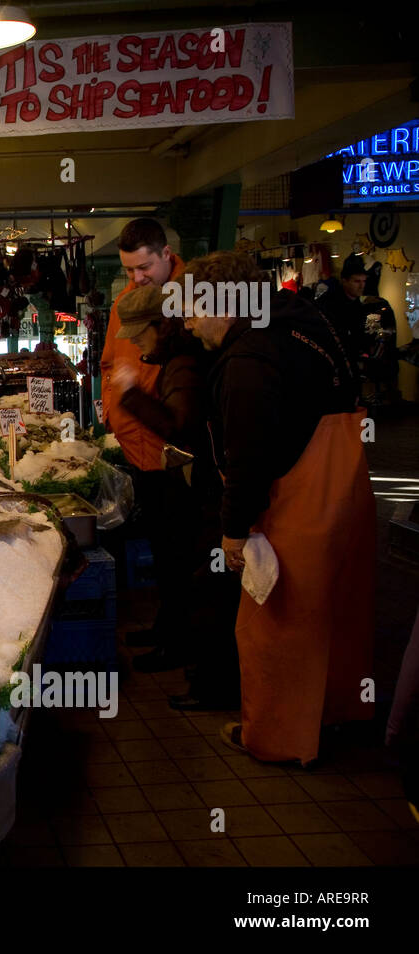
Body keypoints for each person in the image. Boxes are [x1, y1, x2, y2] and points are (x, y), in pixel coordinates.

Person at [183, 250, 374, 767]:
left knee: (277, 625)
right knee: (336, 613)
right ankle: (336, 715)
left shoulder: (250, 359)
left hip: (297, 506)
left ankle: (277, 738)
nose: (188, 322)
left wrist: (233, 528)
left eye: (193, 308)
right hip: (344, 496)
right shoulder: (304, 321)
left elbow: (249, 455)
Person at [109, 285, 239, 700]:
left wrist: (131, 395)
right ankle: (175, 641)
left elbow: (180, 425)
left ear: (160, 326)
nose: (134, 341)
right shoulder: (175, 358)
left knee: (193, 571)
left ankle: (200, 670)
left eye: (139, 332)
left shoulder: (184, 364)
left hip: (200, 488)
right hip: (190, 482)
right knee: (179, 564)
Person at [99, 218, 186, 659]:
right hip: (136, 446)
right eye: (129, 270)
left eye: (145, 267)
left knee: (180, 550)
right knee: (159, 542)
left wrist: (132, 398)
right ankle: (165, 628)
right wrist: (108, 407)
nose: (137, 278)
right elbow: (109, 362)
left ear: (166, 253)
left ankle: (177, 641)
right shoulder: (126, 303)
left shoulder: (190, 302)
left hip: (172, 452)